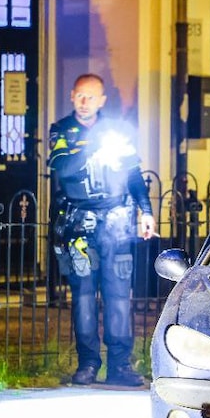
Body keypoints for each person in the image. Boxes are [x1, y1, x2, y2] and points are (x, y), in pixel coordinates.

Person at [49, 74, 157, 386]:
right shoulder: (62, 131)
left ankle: (120, 367)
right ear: (71, 96)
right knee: (83, 297)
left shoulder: (118, 132)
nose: (85, 103)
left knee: (119, 297)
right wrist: (94, 144)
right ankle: (87, 365)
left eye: (91, 97)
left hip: (117, 225)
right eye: (80, 96)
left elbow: (134, 176)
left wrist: (146, 212)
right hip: (77, 227)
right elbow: (63, 169)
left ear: (102, 100)